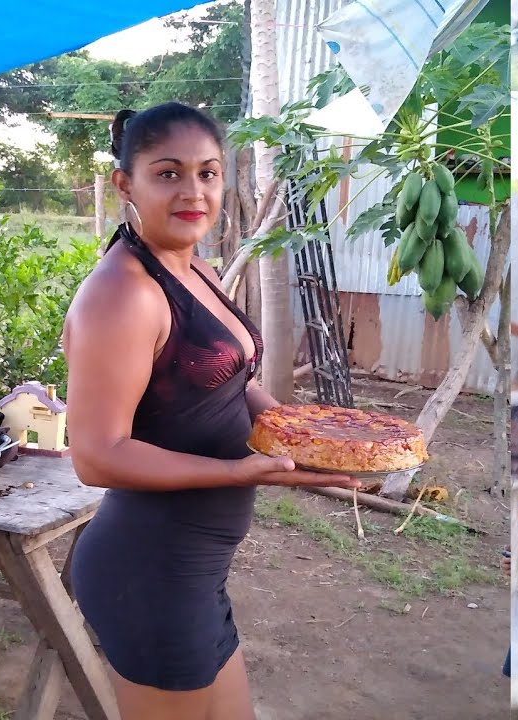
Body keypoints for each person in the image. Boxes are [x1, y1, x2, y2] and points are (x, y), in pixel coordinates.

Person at [62, 102, 361, 720]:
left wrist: (299, 433)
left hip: (195, 570)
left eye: (209, 173)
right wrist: (237, 472)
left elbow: (233, 380)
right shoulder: (123, 294)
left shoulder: (193, 267)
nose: (193, 191)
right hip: (149, 571)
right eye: (168, 174)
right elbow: (96, 456)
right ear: (126, 184)